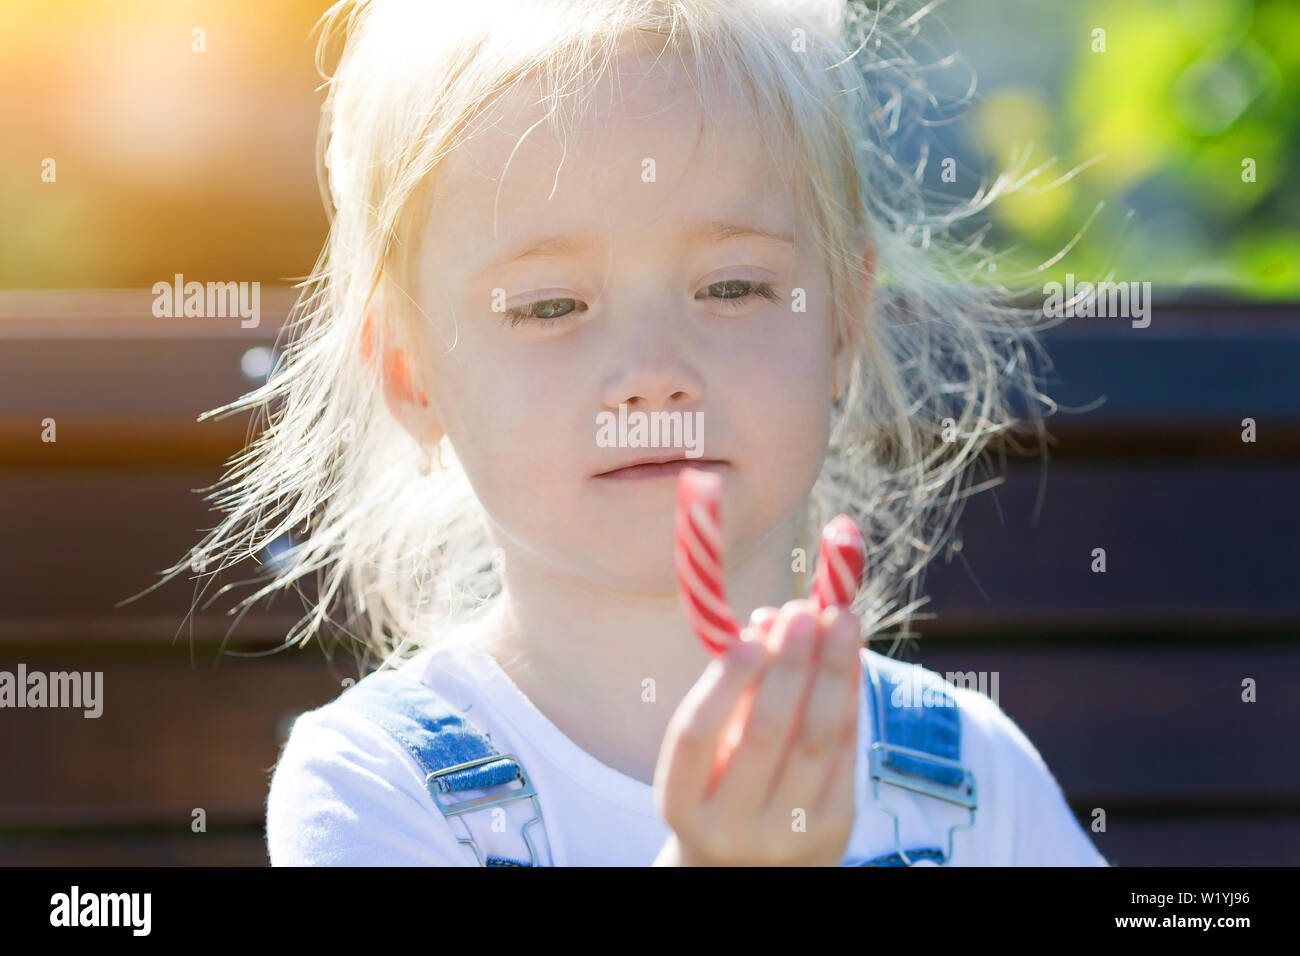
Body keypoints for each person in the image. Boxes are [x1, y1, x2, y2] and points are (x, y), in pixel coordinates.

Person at [174, 0, 1109, 865]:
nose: (654, 369)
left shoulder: (965, 780)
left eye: (733, 287)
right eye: (551, 306)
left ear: (842, 324)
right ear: (411, 375)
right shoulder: (379, 790)